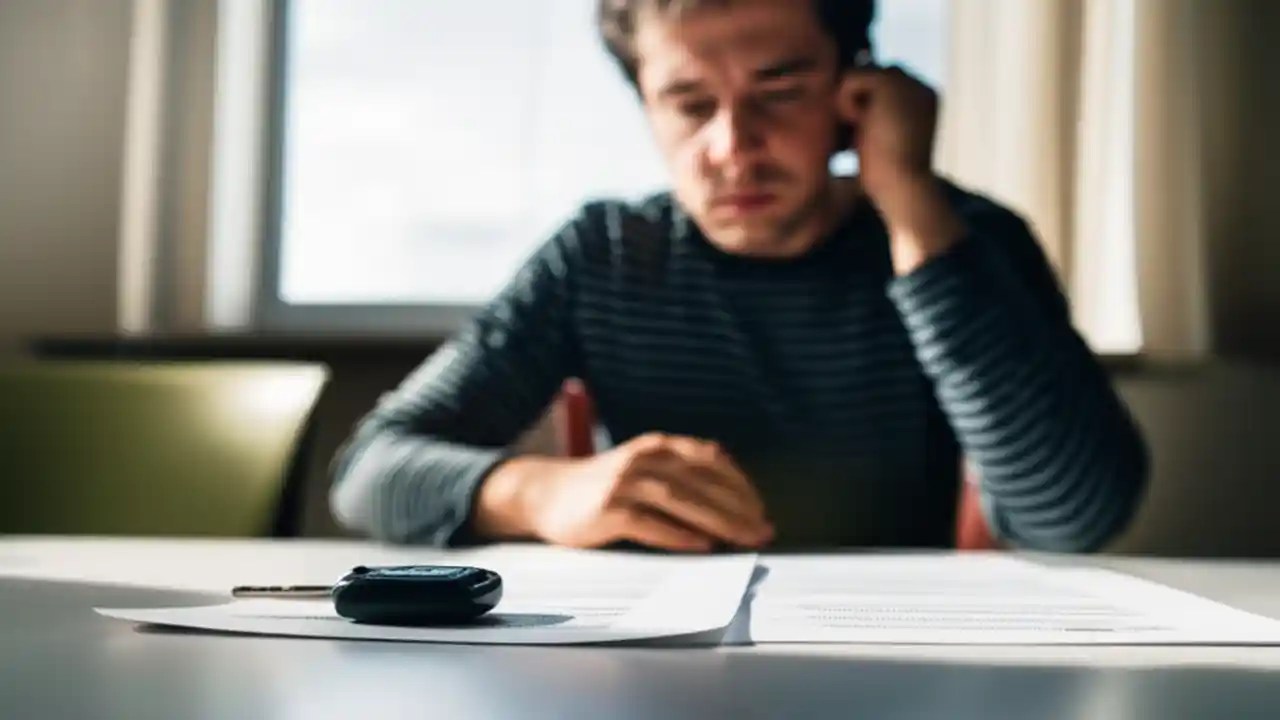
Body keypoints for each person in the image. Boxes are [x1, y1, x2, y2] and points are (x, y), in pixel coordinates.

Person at [329, 0, 1147, 553]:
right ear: (646, 104)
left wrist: (910, 204)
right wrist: (540, 495)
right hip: (656, 675)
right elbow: (369, 469)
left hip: (895, 665)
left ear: (853, 90)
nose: (733, 146)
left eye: (780, 89)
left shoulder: (963, 239)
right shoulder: (603, 254)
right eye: (689, 102)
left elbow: (1075, 518)